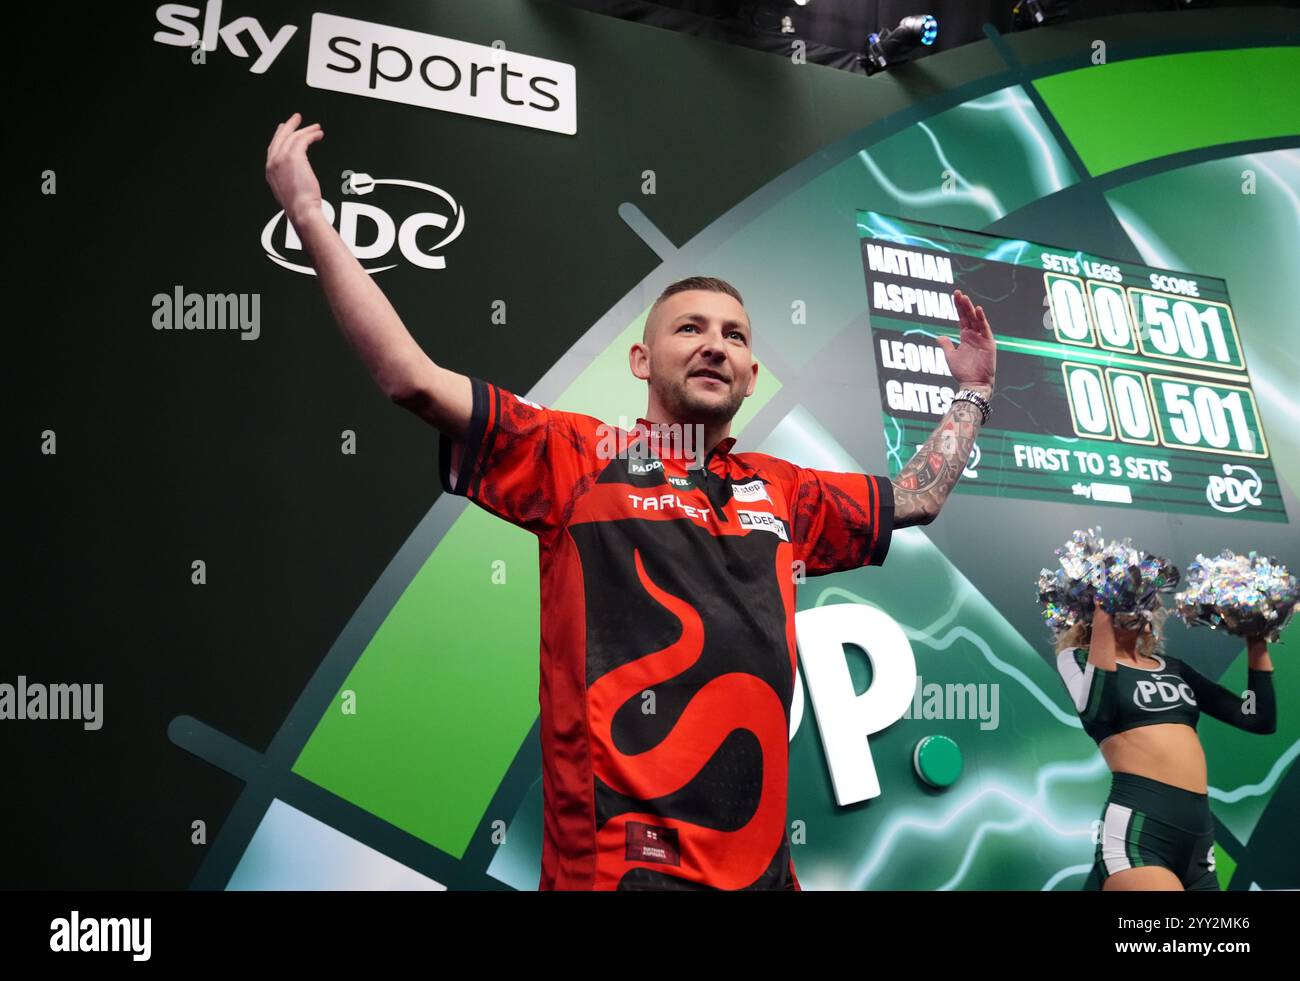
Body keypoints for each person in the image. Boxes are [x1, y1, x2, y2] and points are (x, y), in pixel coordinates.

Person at [265, 111, 997, 890]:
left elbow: (918, 495)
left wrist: (976, 392)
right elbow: (409, 377)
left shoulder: (784, 490)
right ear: (642, 359)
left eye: (736, 336)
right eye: (691, 328)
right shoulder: (575, 456)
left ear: (752, 377)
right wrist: (309, 213)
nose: (717, 343)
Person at [1055, 598, 1276, 891]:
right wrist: (1104, 615)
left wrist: (1256, 641)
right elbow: (1098, 711)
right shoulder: (1076, 658)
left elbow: (1256, 717)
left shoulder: (1173, 668)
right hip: (1140, 832)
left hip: (1198, 839)